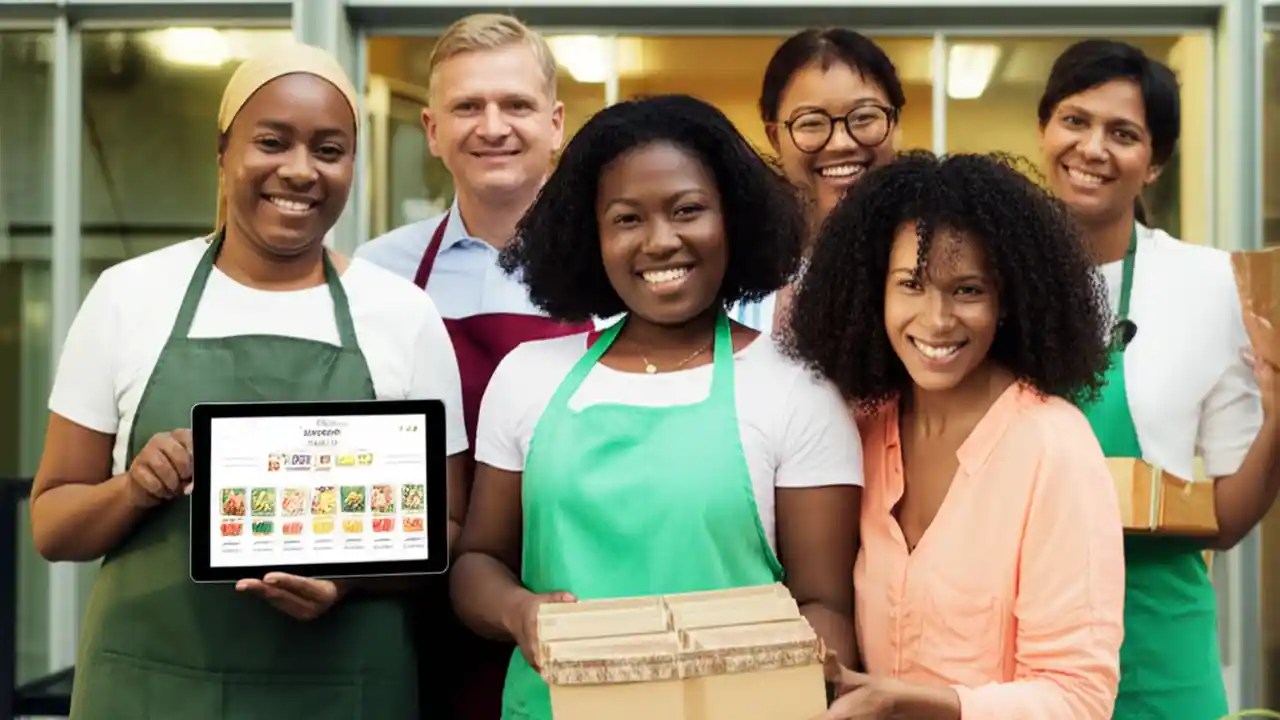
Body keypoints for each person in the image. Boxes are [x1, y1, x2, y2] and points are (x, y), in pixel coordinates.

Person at [29, 43, 468, 719]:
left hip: (342, 692)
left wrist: (348, 580)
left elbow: (451, 529)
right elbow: (54, 525)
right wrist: (134, 489)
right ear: (224, 150)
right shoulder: (129, 297)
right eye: (272, 142)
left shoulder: (402, 315)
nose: (299, 170)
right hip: (151, 690)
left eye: (329, 149)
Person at [449, 94, 865, 720]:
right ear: (591, 236)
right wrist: (520, 612)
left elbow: (824, 603)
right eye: (627, 219)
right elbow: (478, 562)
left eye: (688, 210)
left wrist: (806, 679)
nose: (661, 241)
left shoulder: (796, 388)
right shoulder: (527, 377)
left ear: (734, 219)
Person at [784, 151, 1126, 719]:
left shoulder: (1054, 448)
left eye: (967, 290)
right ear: (876, 295)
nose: (937, 319)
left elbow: (1080, 698)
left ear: (1009, 301)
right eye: (911, 285)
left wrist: (919, 703)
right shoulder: (859, 430)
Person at [353, 15, 597, 717]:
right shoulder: (379, 274)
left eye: (515, 105)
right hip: (419, 610)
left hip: (586, 603)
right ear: (432, 130)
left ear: (555, 124)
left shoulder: (622, 267)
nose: (494, 125)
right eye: (468, 107)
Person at [1037, 39, 1280, 719]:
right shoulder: (987, 282)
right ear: (1044, 128)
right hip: (1019, 641)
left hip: (1158, 645)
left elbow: (1227, 516)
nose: (1092, 148)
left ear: (1156, 163)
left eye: (1124, 134)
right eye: (1075, 121)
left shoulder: (1207, 285)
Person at [732, 27, 905, 333]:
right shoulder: (738, 272)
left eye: (864, 117)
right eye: (811, 123)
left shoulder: (933, 252)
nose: (840, 143)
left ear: (894, 123)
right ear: (775, 138)